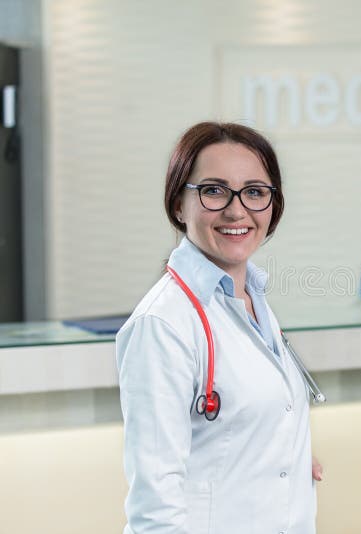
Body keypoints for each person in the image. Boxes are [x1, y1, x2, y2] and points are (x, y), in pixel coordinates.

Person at [116, 122, 321, 533]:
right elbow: (155, 506)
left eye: (255, 192)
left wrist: (282, 454)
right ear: (178, 204)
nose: (236, 210)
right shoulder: (163, 323)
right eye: (213, 190)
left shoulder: (252, 299)